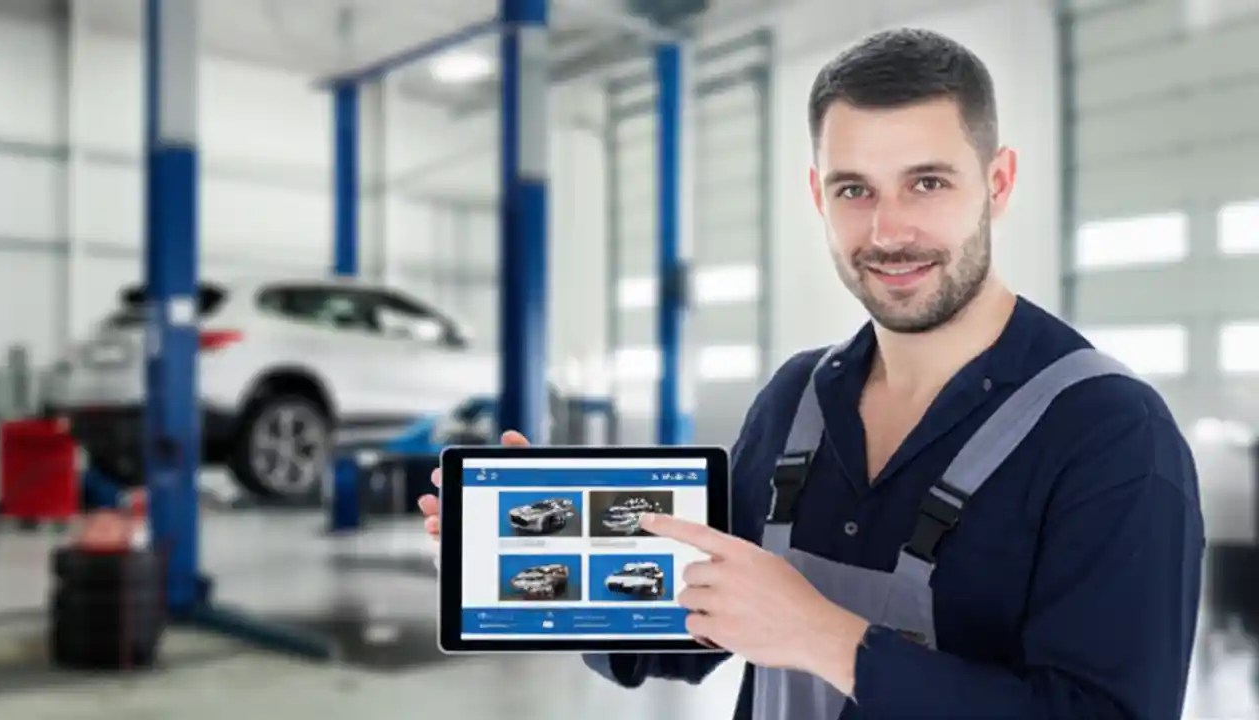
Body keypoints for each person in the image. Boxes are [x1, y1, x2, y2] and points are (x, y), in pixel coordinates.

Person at [420, 27, 1204, 720]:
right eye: (853, 189)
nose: (888, 230)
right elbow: (691, 620)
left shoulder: (1110, 437)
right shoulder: (798, 401)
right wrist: (533, 566)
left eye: (927, 183)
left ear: (997, 183)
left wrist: (830, 640)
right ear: (816, 196)